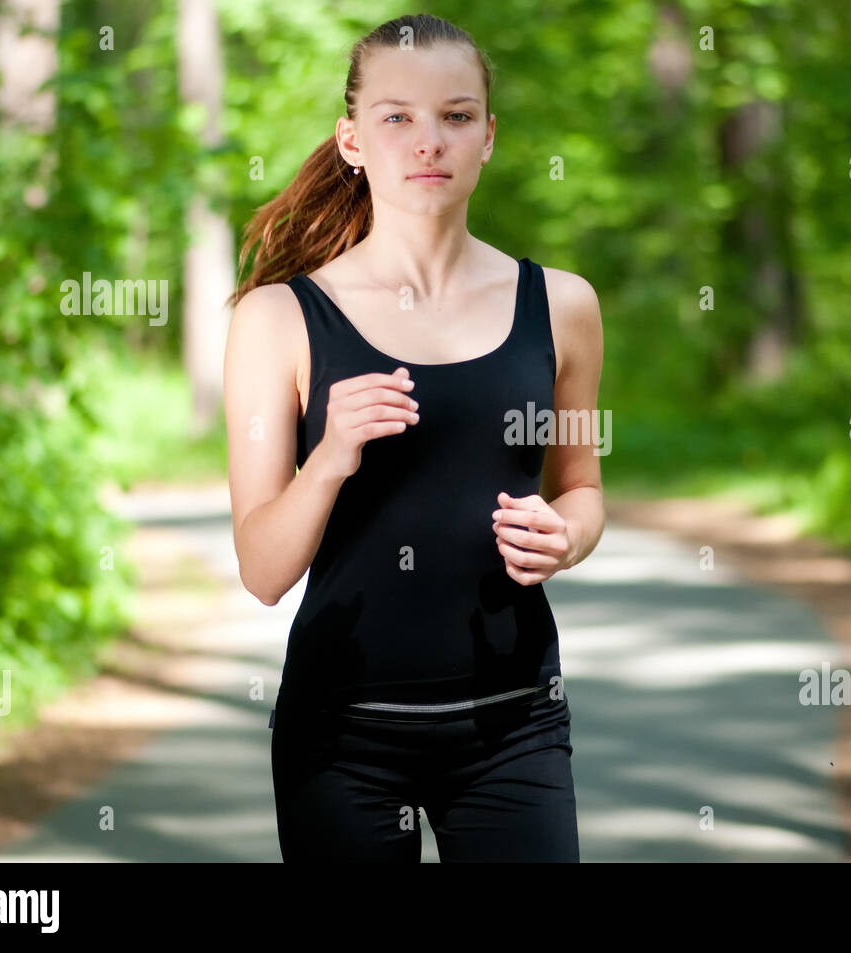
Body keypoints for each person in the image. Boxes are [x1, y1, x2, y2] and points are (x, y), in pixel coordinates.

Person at [222, 13, 605, 862]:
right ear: (351, 139)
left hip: (517, 725)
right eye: (397, 116)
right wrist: (327, 460)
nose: (428, 141)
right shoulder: (279, 318)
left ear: (489, 137)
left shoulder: (563, 306)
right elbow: (261, 569)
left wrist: (566, 535)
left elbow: (581, 486)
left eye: (456, 116)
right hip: (342, 738)